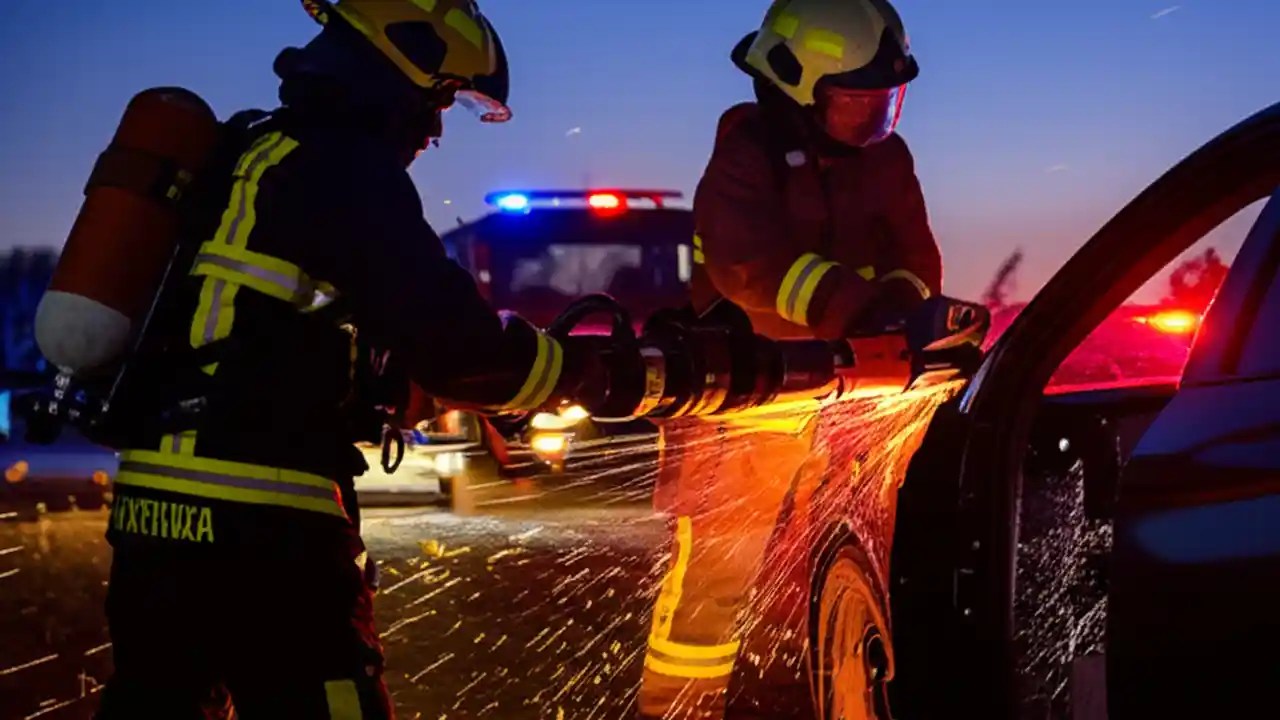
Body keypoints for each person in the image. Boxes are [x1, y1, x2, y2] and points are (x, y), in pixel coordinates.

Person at [94, 1, 598, 717]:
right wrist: (583, 375)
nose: (434, 128)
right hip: (263, 524)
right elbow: (463, 351)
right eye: (441, 100)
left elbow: (258, 321)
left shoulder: (252, 146)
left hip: (153, 512)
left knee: (157, 705)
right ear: (401, 66)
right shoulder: (349, 170)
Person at [640, 0, 942, 717]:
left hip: (863, 394)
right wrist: (857, 310)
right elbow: (749, 264)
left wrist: (904, 312)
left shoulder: (887, 159)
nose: (875, 122)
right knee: (720, 572)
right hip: (753, 393)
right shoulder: (747, 148)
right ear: (795, 83)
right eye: (857, 103)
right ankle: (679, 707)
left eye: (885, 103)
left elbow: (917, 257)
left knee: (862, 561)